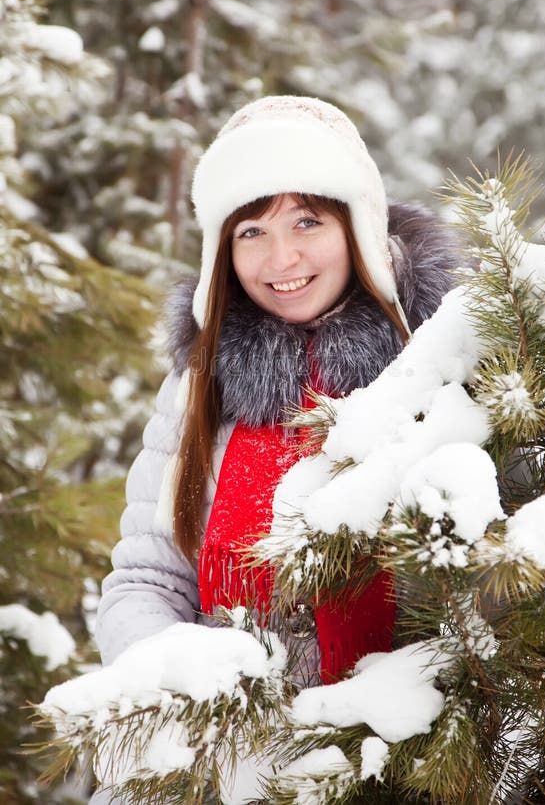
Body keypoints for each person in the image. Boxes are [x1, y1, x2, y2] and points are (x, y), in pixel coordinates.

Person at [90, 95, 456, 803]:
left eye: (308, 221)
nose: (280, 257)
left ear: (359, 223)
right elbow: (145, 581)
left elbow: (511, 585)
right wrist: (184, 684)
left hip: (405, 765)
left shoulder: (443, 365)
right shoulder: (200, 386)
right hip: (225, 770)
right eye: (251, 230)